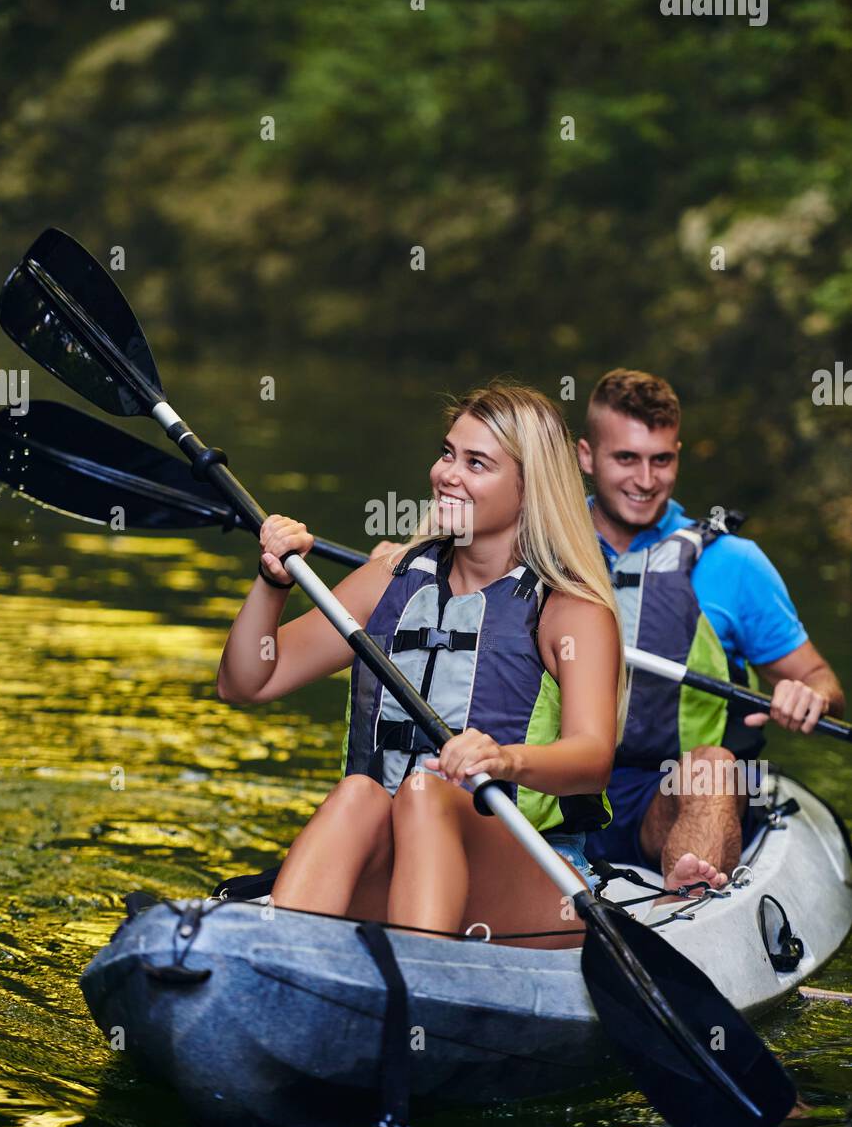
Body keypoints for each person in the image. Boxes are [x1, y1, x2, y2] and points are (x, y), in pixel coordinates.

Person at [217, 381, 624, 948]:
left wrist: (505, 759)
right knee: (360, 792)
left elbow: (592, 760)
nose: (447, 475)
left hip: (535, 878)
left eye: (476, 463)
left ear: (531, 488)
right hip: (397, 861)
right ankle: (280, 965)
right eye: (447, 453)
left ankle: (417, 988)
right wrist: (271, 584)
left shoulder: (570, 608)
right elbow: (246, 681)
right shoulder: (392, 580)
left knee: (427, 791)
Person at [578, 368, 845, 896]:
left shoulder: (736, 565)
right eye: (625, 458)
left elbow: (823, 682)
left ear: (678, 453)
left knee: (716, 767)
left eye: (662, 459)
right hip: (553, 783)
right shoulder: (538, 545)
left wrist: (807, 695)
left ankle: (691, 903)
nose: (645, 480)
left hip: (666, 791)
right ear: (586, 457)